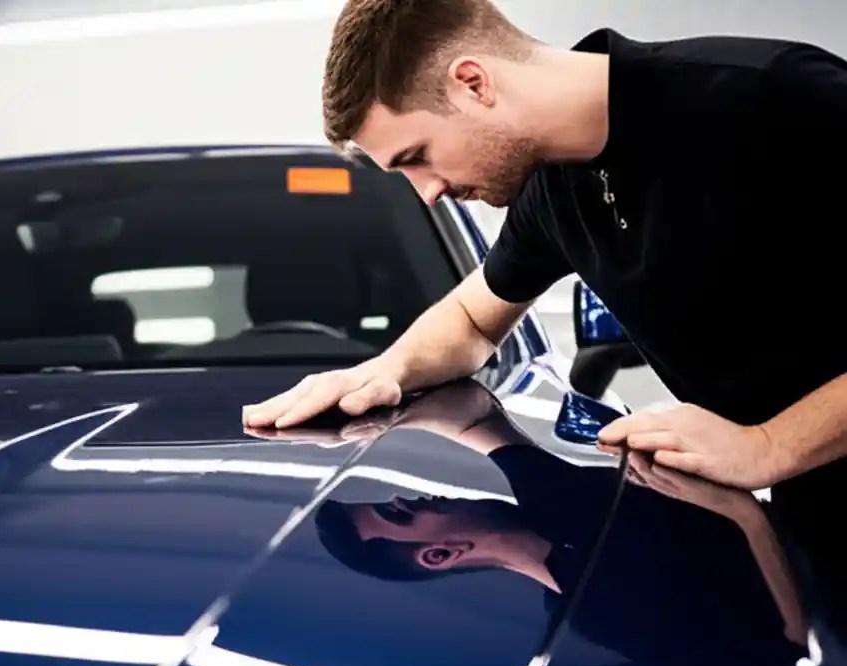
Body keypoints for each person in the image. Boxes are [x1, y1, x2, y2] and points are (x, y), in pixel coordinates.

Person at [240, 0, 847, 497]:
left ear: (474, 83)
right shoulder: (554, 188)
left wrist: (771, 445)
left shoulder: (774, 98)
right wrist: (378, 373)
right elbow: (472, 319)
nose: (427, 193)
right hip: (804, 514)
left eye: (417, 156)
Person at [251, 380, 809, 666]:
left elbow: (481, 415)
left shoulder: (567, 521)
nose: (408, 494)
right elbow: (787, 649)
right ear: (440, 556)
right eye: (400, 514)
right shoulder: (601, 610)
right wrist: (747, 516)